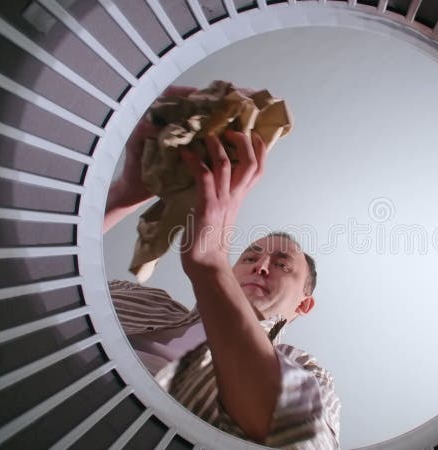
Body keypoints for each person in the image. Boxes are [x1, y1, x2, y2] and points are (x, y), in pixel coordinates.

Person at [103, 86, 340, 449]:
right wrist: (125, 194)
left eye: (281, 264)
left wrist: (210, 266)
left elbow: (300, 441)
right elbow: (25, 275)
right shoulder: (138, 298)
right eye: (249, 257)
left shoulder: (305, 371)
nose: (261, 266)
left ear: (303, 305)